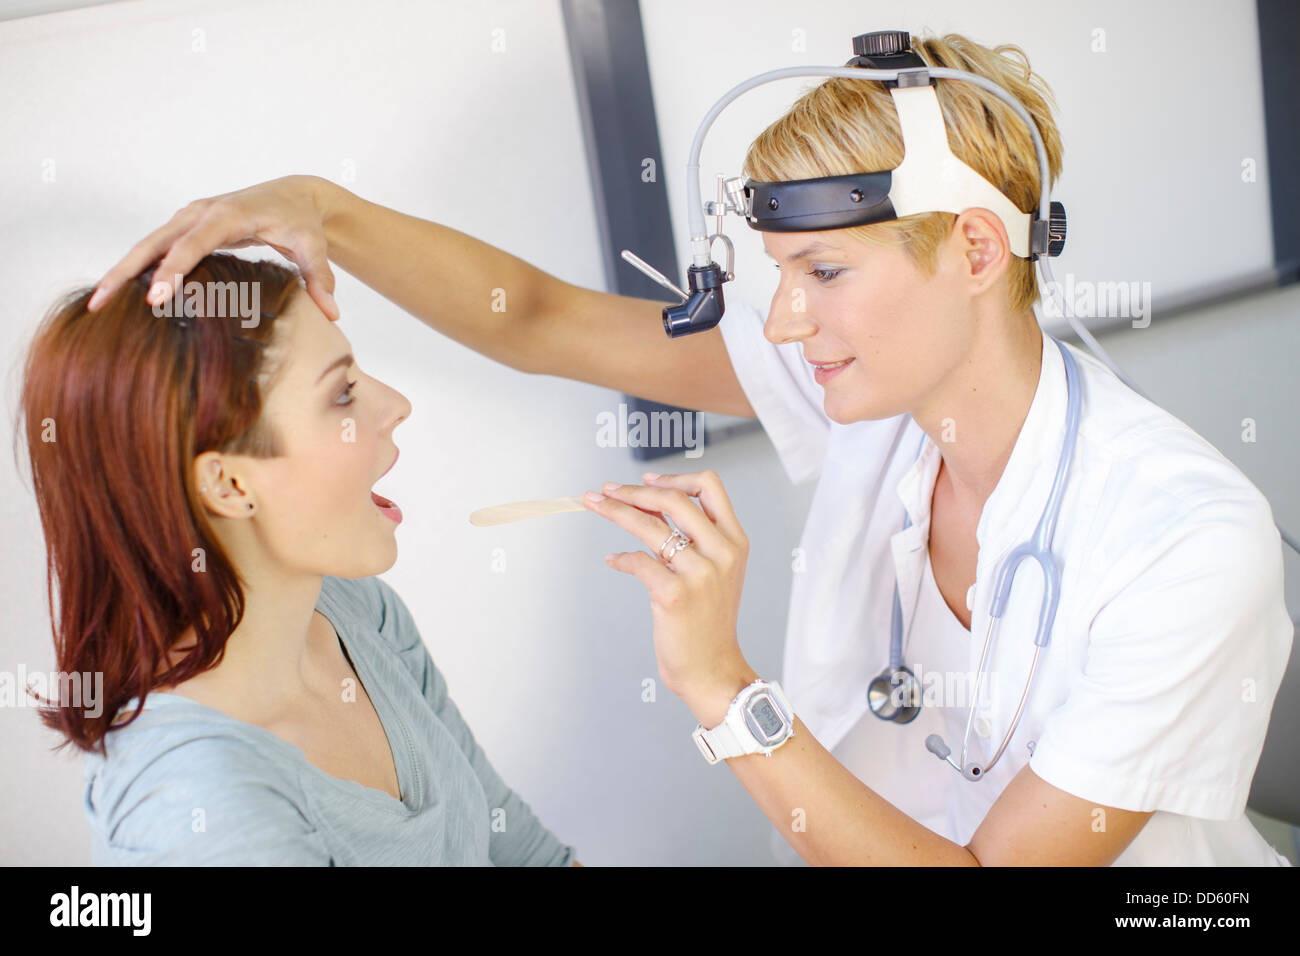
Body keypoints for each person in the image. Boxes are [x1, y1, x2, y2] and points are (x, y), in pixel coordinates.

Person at [84, 32, 1293, 865]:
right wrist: (323, 207)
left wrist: (720, 680)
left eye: (822, 271)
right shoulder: (868, 385)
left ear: (976, 252)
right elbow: (545, 320)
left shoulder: (1184, 539)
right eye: (778, 275)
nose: (780, 322)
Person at [19, 253, 580, 865]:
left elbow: (527, 857)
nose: (395, 404)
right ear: (229, 486)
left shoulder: (357, 613)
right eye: (341, 393)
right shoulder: (202, 807)